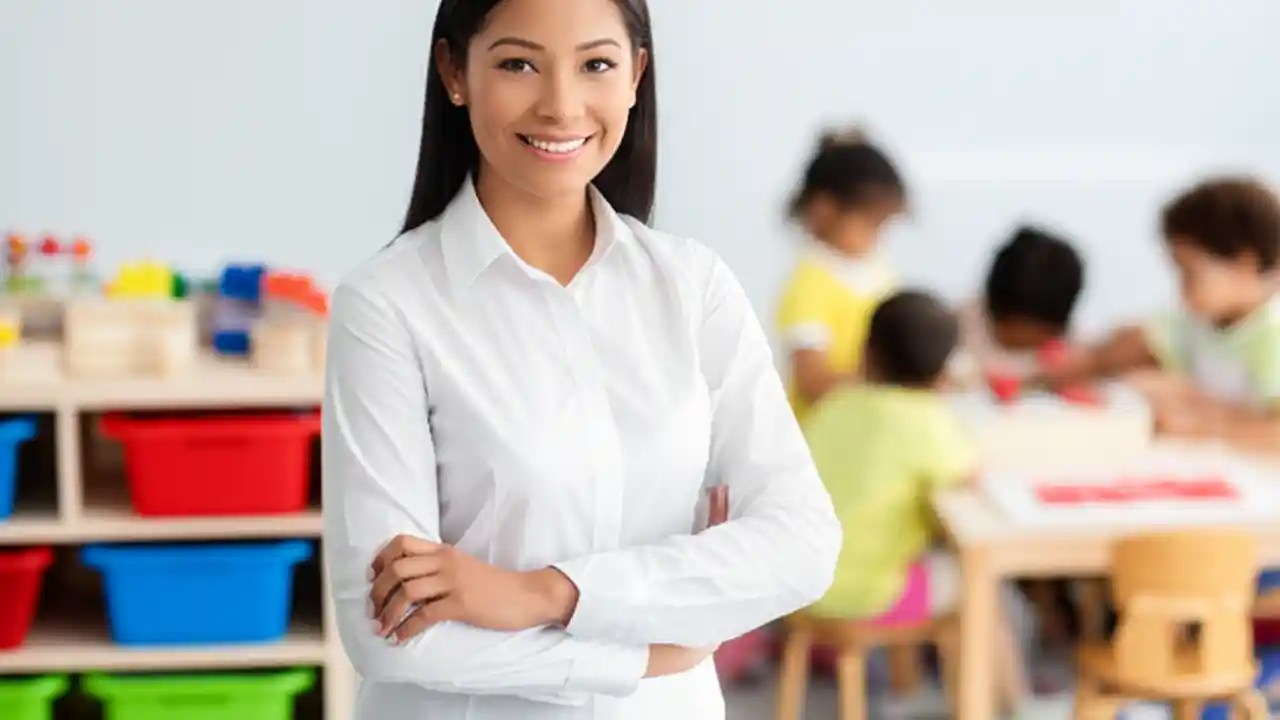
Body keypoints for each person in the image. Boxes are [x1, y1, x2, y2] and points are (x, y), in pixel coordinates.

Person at [320, 1, 842, 718]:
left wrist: (546, 592)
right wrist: (649, 651)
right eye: (518, 64)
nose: (561, 106)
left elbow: (802, 543)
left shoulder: (693, 287)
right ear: (454, 72)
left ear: (636, 76)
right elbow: (388, 634)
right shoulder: (387, 304)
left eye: (596, 64)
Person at [803, 290, 1030, 714]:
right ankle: (1005, 707)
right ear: (944, 371)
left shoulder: (835, 405)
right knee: (976, 587)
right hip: (868, 595)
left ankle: (905, 693)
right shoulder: (927, 421)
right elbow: (970, 475)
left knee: (907, 558)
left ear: (866, 352)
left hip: (804, 585)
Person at [1043, 176, 1280, 451]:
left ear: (1244, 265)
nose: (1180, 289)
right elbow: (1138, 339)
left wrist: (1202, 425)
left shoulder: (1271, 335)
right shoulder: (1202, 322)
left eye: (1190, 274)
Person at [775, 130, 907, 424]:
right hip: (822, 438)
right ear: (823, 210)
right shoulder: (810, 284)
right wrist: (887, 377)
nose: (876, 238)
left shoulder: (882, 276)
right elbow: (812, 381)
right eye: (870, 225)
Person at [950, 225, 1086, 385]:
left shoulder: (1075, 352)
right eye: (1011, 338)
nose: (1021, 343)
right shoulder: (953, 329)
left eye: (1032, 340)